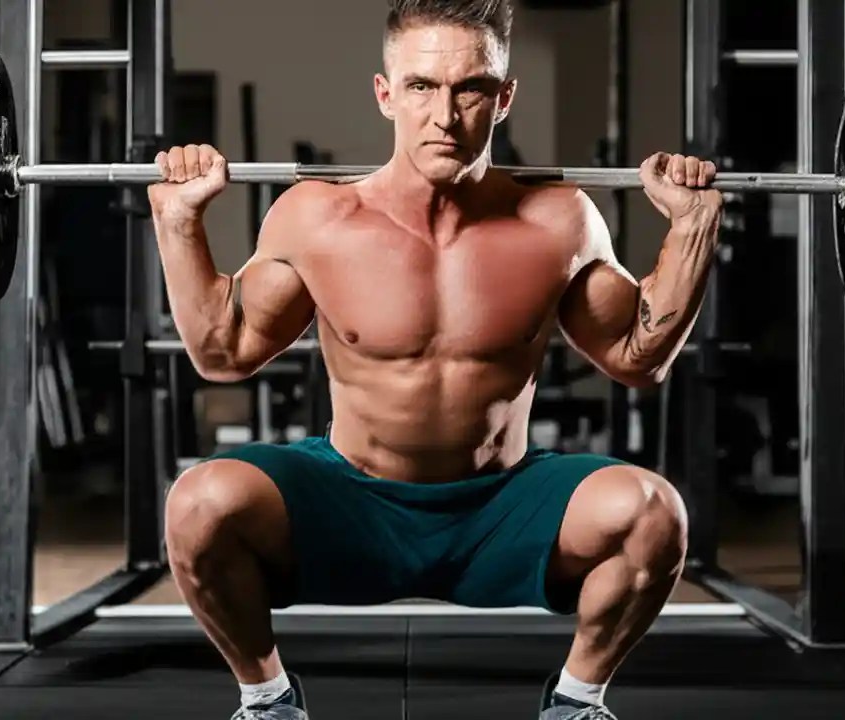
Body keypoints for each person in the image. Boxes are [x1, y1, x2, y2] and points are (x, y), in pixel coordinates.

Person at [148, 1, 721, 718]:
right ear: (386, 93)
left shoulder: (558, 220)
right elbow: (221, 353)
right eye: (421, 87)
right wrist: (178, 222)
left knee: (653, 512)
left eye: (469, 88)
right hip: (351, 501)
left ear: (503, 97)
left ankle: (576, 702)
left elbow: (639, 358)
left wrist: (693, 232)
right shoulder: (318, 218)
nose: (444, 116)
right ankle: (268, 701)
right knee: (198, 504)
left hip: (499, 506)